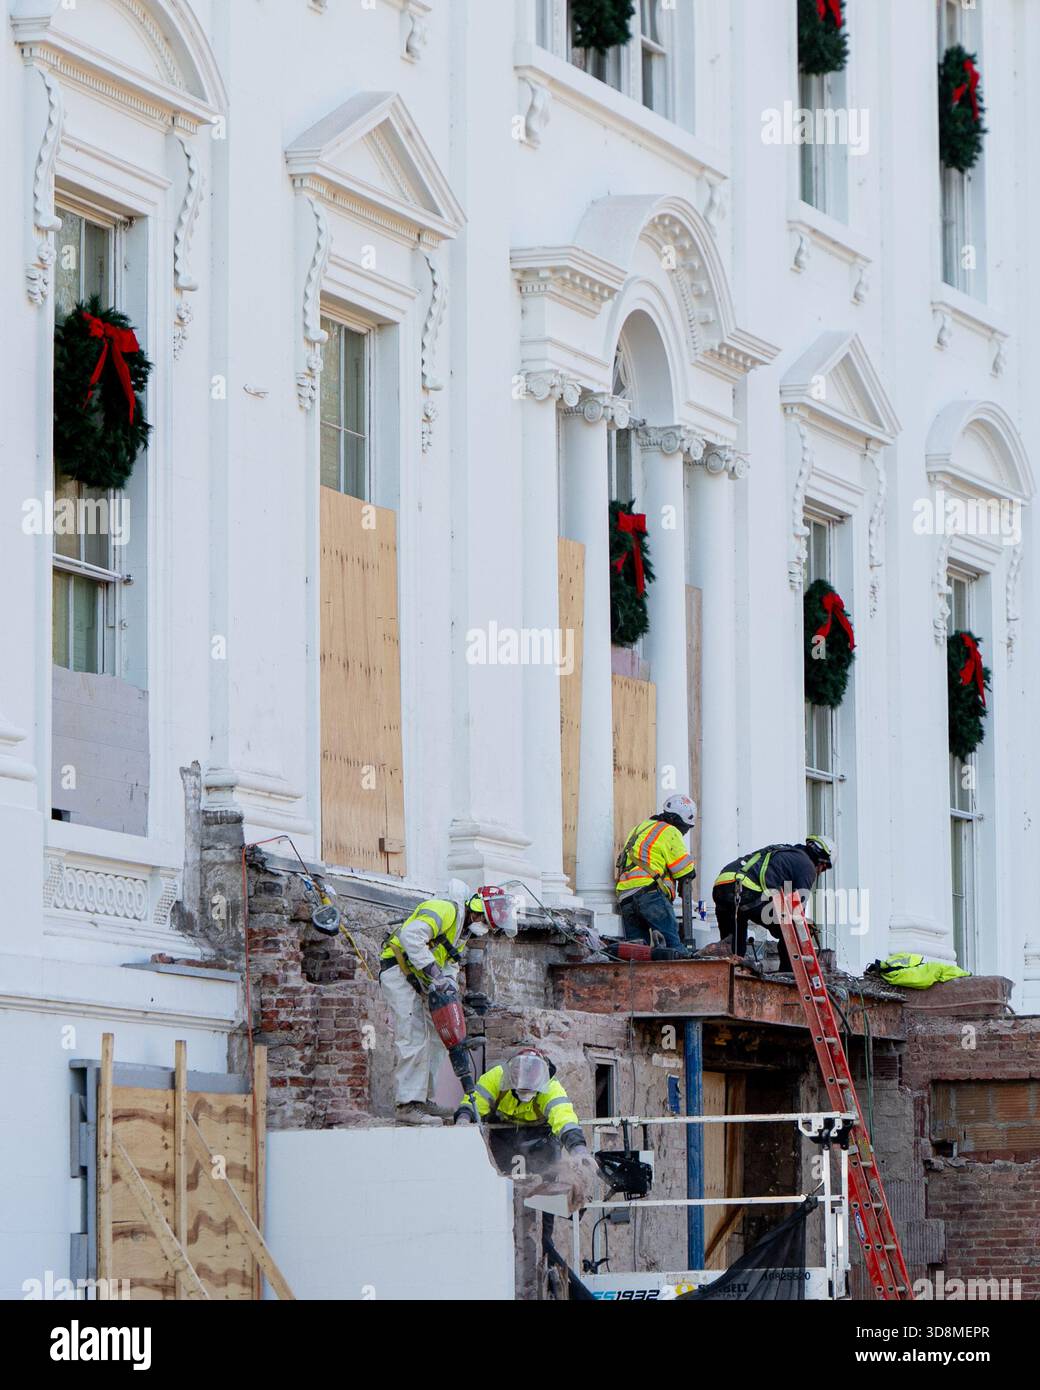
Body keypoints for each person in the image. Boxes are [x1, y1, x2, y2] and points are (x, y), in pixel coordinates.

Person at [379, 879, 517, 1124]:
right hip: (398, 972)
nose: (485, 929)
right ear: (476, 913)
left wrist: (449, 984)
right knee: (413, 1036)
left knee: (437, 1038)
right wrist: (434, 974)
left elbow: (450, 962)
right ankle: (407, 1104)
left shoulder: (460, 932)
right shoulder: (445, 909)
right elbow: (411, 936)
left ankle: (423, 1099)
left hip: (420, 979)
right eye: (486, 923)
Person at [454, 1046, 590, 1173]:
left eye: (531, 1090)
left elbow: (564, 1117)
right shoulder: (497, 1076)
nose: (525, 1093)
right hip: (503, 1135)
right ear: (510, 1076)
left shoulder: (551, 1087)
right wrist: (463, 1119)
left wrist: (578, 1150)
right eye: (521, 1088)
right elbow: (475, 1100)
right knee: (500, 1177)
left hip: (541, 1137)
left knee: (546, 1181)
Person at [711, 834, 835, 971]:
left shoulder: (788, 855)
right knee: (793, 930)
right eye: (823, 869)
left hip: (722, 885)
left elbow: (787, 899)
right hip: (746, 890)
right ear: (822, 861)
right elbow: (796, 909)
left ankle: (729, 974)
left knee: (733, 948)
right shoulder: (807, 866)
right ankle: (788, 976)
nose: (820, 872)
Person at [615, 794, 698, 951]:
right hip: (649, 895)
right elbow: (685, 871)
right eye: (685, 827)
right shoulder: (669, 831)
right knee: (673, 946)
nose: (684, 832)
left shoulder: (640, 828)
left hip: (625, 896)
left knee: (638, 951)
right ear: (675, 820)